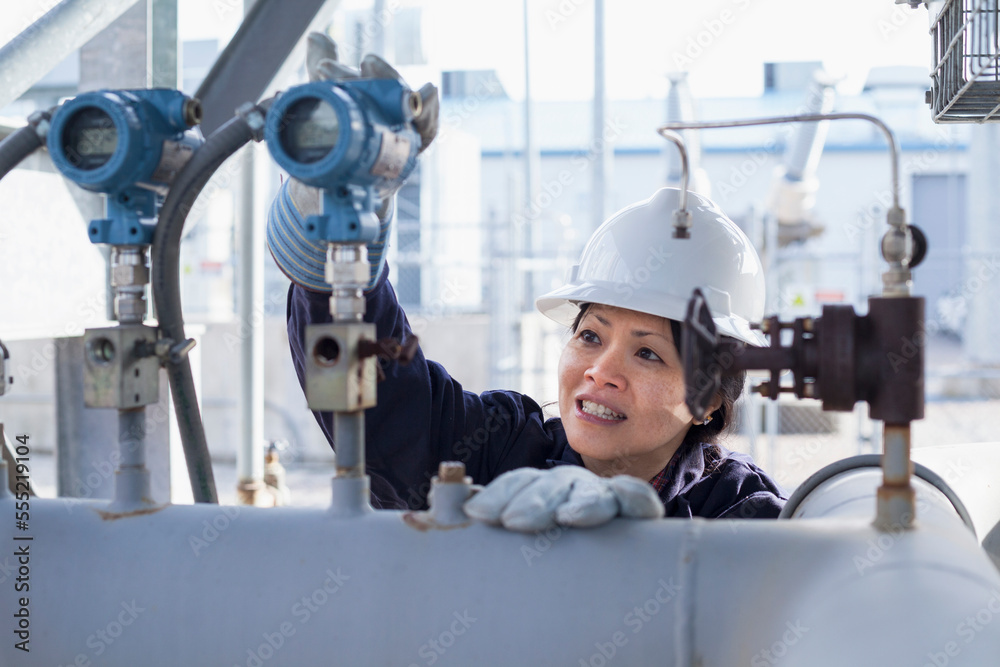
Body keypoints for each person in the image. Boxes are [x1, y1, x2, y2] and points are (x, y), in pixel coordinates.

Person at [267, 34, 786, 531]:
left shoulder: (743, 517)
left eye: (648, 353)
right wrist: (336, 244)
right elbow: (387, 416)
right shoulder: (503, 449)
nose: (601, 372)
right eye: (590, 336)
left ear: (711, 399)